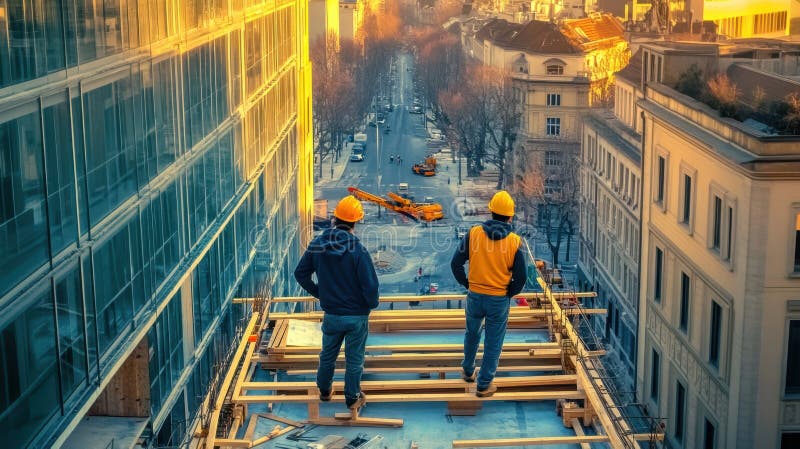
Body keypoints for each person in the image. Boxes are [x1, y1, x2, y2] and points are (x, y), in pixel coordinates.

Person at [294, 195, 379, 411]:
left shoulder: (318, 244)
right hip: (356, 316)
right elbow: (370, 287)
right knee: (354, 360)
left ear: (334, 219)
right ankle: (351, 398)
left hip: (332, 314)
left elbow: (300, 274)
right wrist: (370, 305)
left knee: (327, 355)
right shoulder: (358, 251)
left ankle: (324, 391)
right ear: (355, 223)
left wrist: (321, 294)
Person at [450, 191, 527, 397]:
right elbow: (521, 278)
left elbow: (456, 263)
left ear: (491, 212)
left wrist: (467, 283)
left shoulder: (474, 234)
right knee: (493, 341)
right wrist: (507, 293)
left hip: (475, 295)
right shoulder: (514, 242)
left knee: (472, 333)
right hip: (498, 300)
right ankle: (483, 385)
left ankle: (467, 370)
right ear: (510, 217)